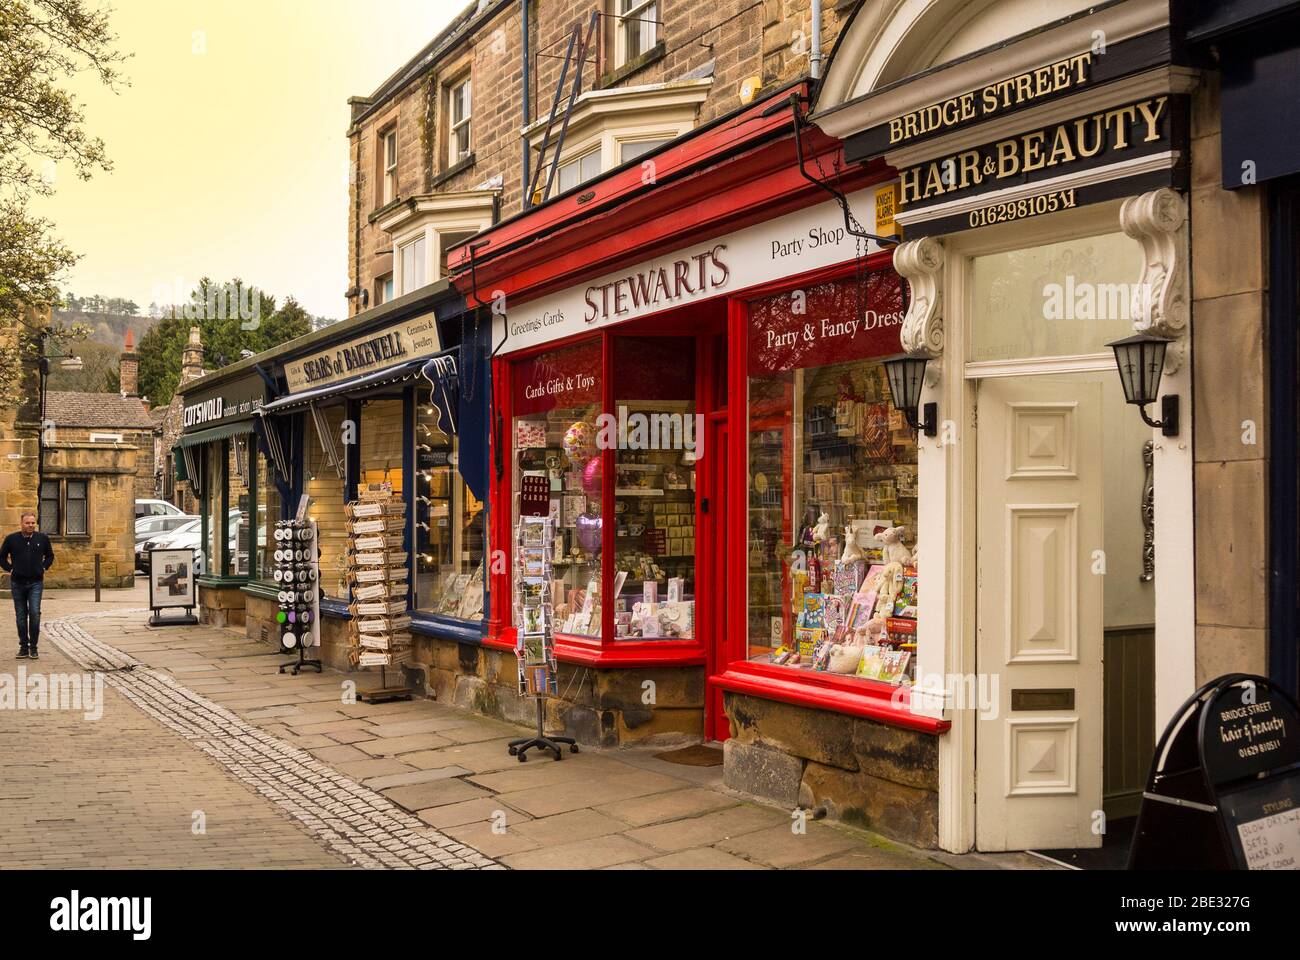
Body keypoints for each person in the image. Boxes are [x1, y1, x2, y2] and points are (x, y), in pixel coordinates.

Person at [0, 511, 55, 660]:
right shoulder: (12, 539)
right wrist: (10, 569)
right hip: (18, 583)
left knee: (35, 613)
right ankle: (24, 647)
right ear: (21, 524)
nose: (30, 525)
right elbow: (2, 557)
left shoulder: (42, 539)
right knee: (21, 616)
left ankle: (34, 648)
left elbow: (50, 556)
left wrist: (44, 567)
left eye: (33, 523)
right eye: (27, 523)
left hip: (36, 583)